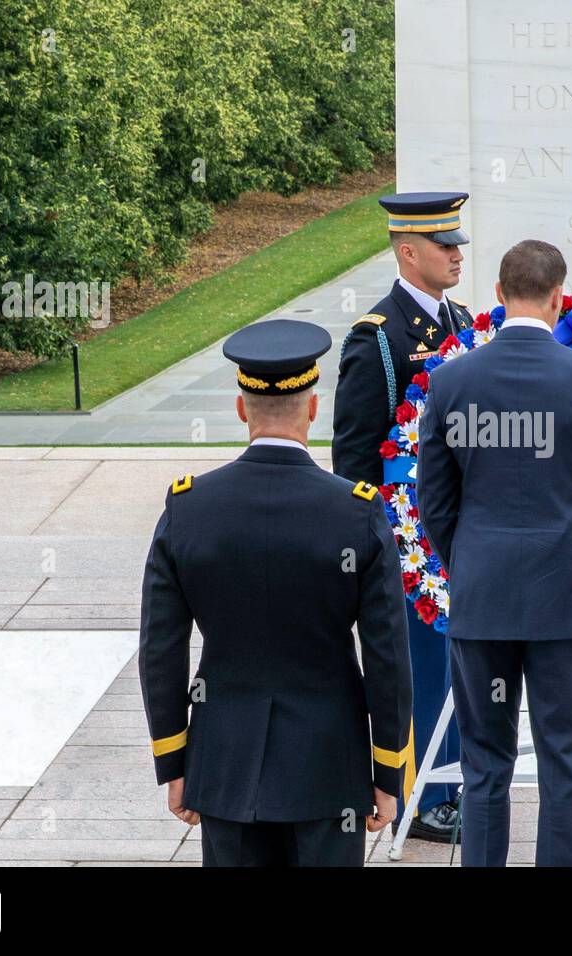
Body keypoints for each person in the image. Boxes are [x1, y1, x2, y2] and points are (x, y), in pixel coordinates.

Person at [138, 318, 413, 867]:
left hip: (225, 767)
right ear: (313, 408)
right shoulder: (356, 512)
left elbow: (160, 650)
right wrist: (387, 771)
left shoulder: (189, 509)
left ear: (241, 409)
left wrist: (175, 761)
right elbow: (386, 655)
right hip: (329, 768)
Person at [416, 239, 572, 866]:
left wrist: (465, 563)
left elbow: (435, 502)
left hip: (484, 598)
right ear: (558, 299)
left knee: (483, 764)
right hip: (566, 601)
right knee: (564, 761)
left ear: (497, 295)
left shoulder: (451, 381)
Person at [331, 191, 473, 842]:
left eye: (458, 243)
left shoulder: (464, 322)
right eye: (445, 246)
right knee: (424, 662)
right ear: (408, 251)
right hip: (408, 539)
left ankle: (457, 778)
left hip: (464, 529)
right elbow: (355, 458)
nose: (456, 254)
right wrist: (375, 544)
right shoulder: (379, 338)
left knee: (464, 658)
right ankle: (424, 793)